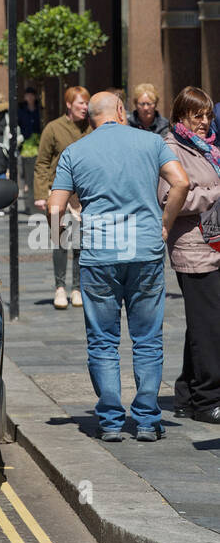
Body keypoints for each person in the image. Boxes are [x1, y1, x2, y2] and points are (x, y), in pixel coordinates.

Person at [49, 91, 189, 442]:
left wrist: (61, 242)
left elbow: (54, 209)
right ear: (121, 111)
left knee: (102, 341)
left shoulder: (74, 152)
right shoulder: (150, 142)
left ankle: (111, 420)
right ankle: (145, 418)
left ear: (90, 117)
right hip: (144, 250)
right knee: (147, 339)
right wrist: (165, 223)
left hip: (99, 256)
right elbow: (181, 181)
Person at [158, 86, 220, 423]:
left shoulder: (205, 148)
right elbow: (170, 199)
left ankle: (186, 393)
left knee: (202, 323)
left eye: (208, 115)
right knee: (210, 325)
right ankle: (209, 399)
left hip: (211, 244)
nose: (204, 122)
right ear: (182, 115)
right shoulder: (171, 148)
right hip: (192, 248)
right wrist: (216, 192)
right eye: (198, 116)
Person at [34, 86, 90, 308]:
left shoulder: (91, 128)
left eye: (87, 104)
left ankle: (77, 288)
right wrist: (40, 194)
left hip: (83, 195)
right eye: (80, 104)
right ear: (69, 105)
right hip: (58, 192)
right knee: (60, 241)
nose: (85, 108)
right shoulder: (54, 128)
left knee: (79, 243)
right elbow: (42, 163)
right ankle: (59, 288)